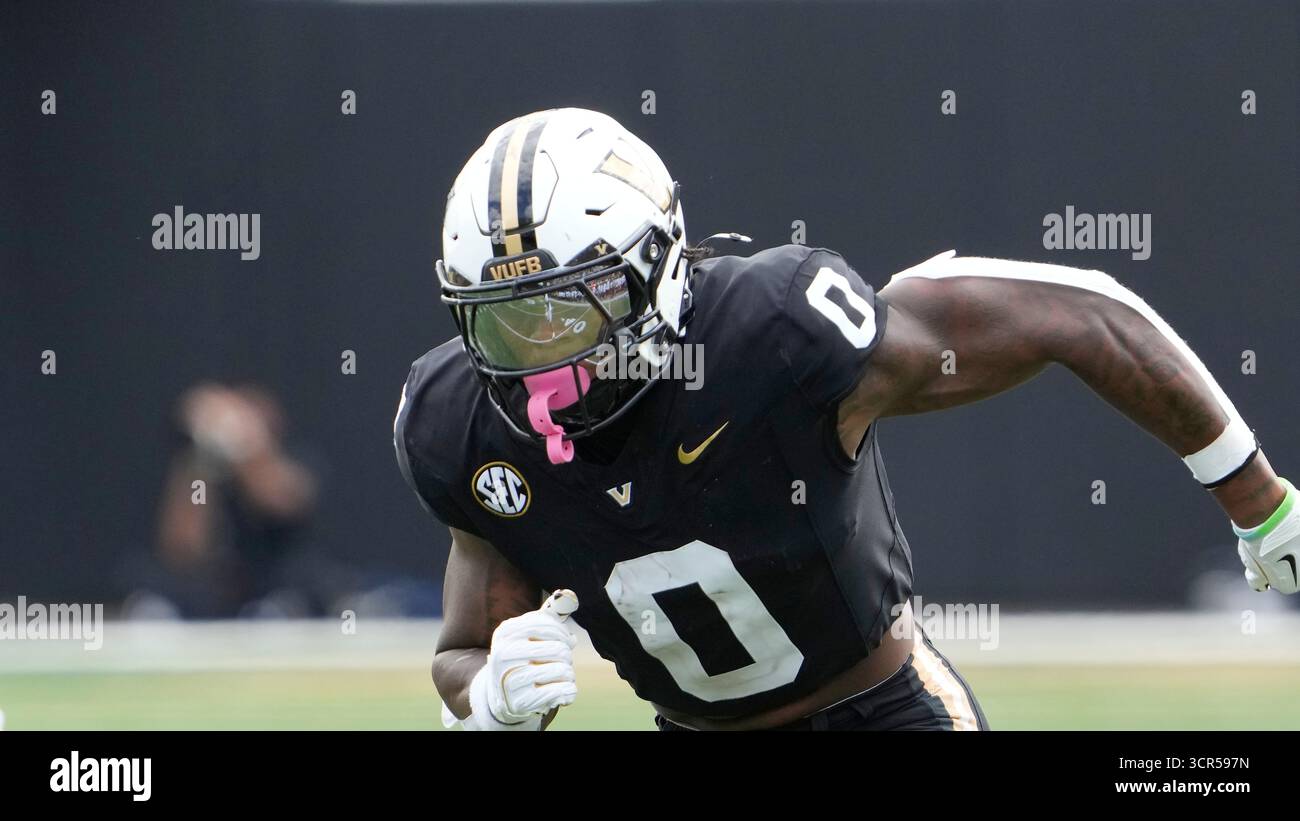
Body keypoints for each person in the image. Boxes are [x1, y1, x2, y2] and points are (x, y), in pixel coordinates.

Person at [394, 108, 1297, 731]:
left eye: (576, 312)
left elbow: (1078, 312)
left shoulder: (775, 335)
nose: (550, 355)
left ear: (661, 269)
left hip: (884, 710)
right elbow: (467, 651)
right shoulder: (462, 427)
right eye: (509, 322)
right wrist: (489, 699)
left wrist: (1259, 499)